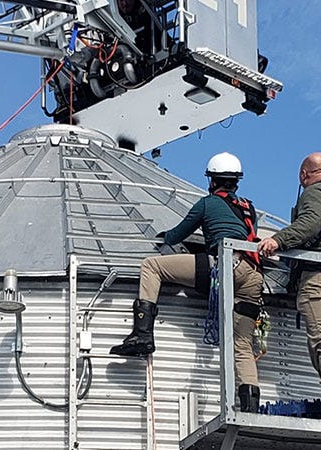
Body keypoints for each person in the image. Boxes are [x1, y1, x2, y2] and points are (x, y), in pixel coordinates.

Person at [110, 152, 265, 413]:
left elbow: (178, 233)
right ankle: (251, 408)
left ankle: (142, 335)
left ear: (212, 180)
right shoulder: (248, 207)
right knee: (242, 344)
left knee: (151, 266)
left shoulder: (207, 204)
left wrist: (164, 237)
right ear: (236, 181)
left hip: (224, 266)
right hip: (252, 275)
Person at [257, 152, 321, 422]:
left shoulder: (316, 192)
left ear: (305, 174)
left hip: (319, 278)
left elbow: (310, 224)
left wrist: (277, 240)